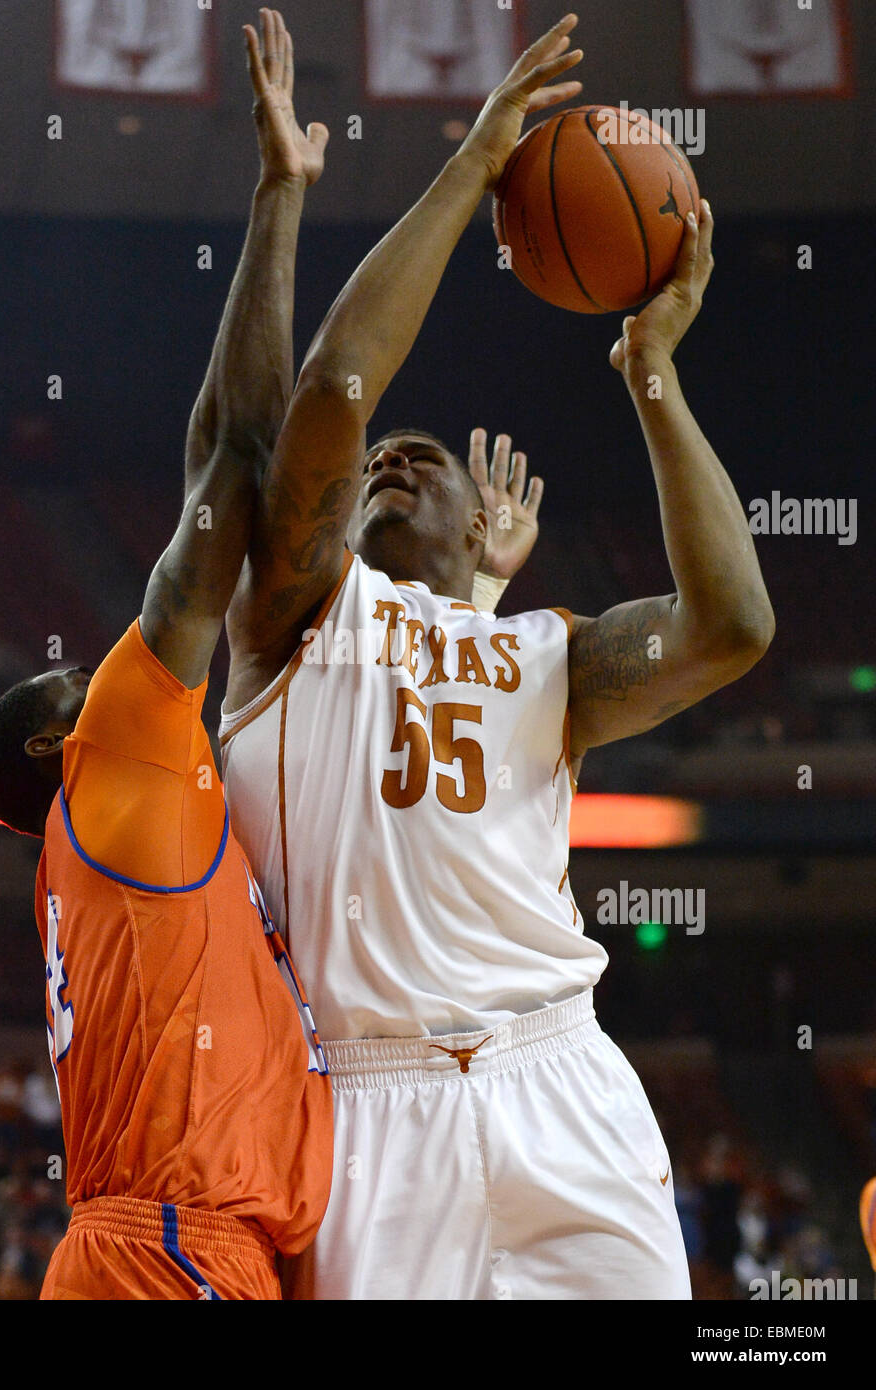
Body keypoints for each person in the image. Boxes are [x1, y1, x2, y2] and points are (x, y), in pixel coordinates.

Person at [220, 12, 774, 1299]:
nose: (387, 456)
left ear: (482, 520)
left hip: (562, 1075)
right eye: (371, 466)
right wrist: (475, 163)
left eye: (426, 457)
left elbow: (731, 627)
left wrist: (650, 376)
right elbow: (335, 387)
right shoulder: (292, 613)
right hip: (373, 1108)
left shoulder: (548, 656)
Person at [0, 10, 332, 1300]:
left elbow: (219, 484)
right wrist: (278, 202)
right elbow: (228, 468)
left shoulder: (113, 828)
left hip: (160, 1245)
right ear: (62, 739)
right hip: (169, 1247)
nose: (114, 659)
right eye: (84, 675)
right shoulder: (117, 750)